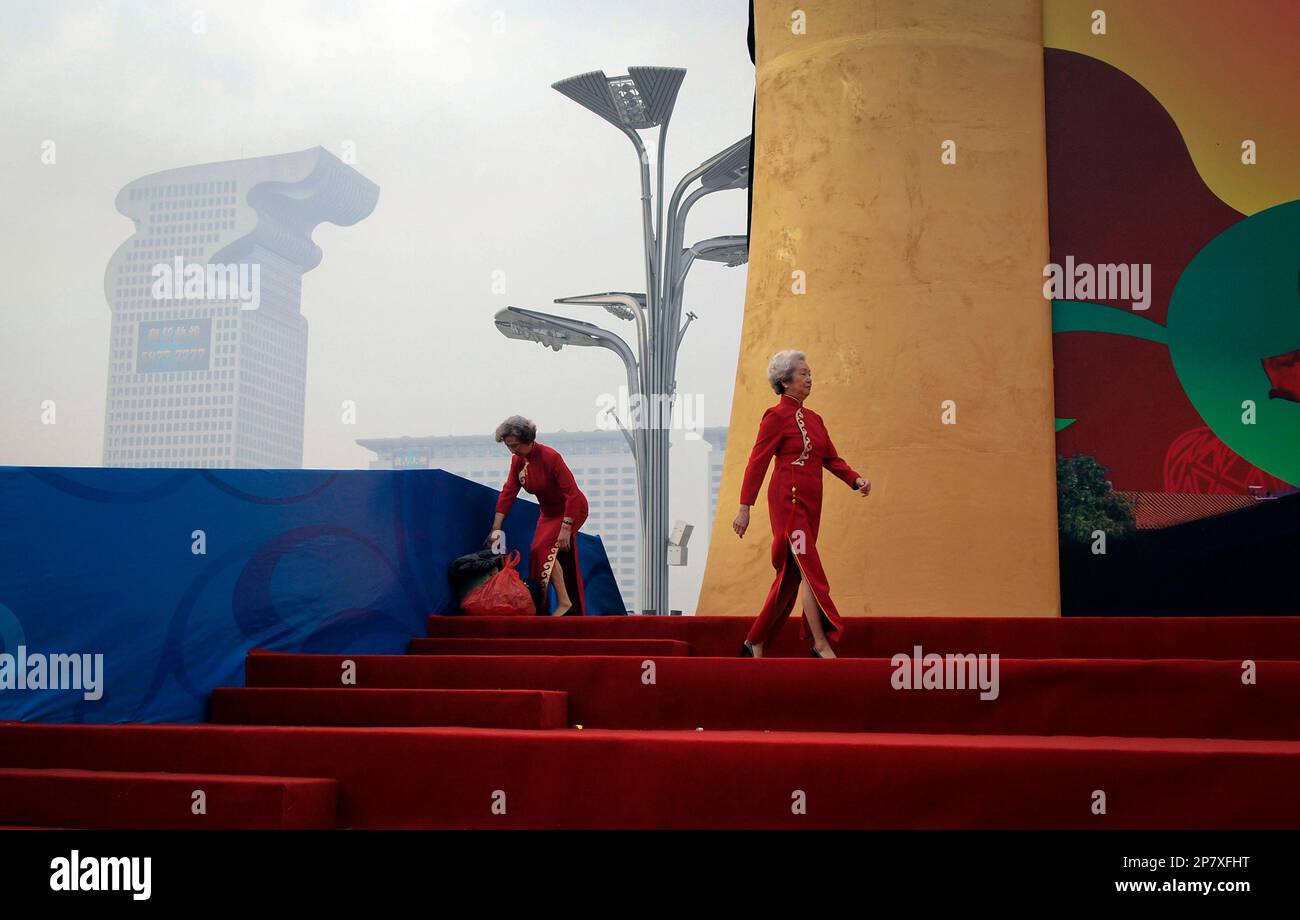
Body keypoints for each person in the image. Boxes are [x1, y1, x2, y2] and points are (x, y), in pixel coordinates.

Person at [733, 351, 870, 657]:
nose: (809, 378)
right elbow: (757, 462)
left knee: (794, 575)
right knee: (809, 568)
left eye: (810, 372)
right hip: (788, 501)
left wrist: (855, 479)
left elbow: (831, 459)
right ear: (785, 381)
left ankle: (754, 641)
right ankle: (820, 643)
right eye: (803, 373)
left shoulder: (815, 419)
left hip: (812, 503)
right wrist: (745, 506)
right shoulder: (775, 416)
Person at [487, 416, 590, 616]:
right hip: (548, 513)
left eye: (515, 445)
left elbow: (573, 494)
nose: (513, 450)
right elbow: (509, 491)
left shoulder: (551, 457)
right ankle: (542, 606)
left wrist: (565, 529)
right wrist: (496, 526)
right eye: (509, 447)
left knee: (543, 548)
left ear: (528, 439)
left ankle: (565, 602)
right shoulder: (518, 460)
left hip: (571, 509)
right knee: (536, 555)